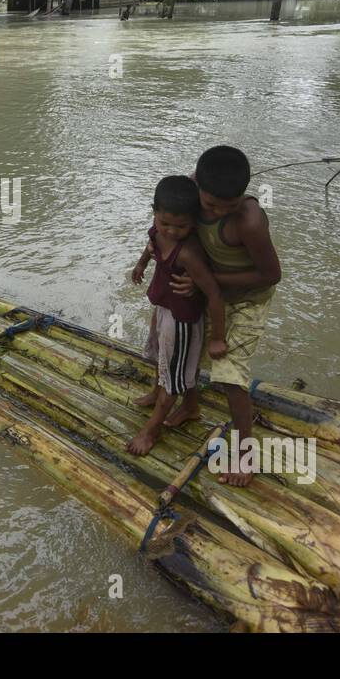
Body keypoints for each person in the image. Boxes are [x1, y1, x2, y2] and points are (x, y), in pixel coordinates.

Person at [170, 146, 281, 486]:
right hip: (209, 291)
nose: (218, 212)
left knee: (230, 377)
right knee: (186, 349)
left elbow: (271, 275)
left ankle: (245, 453)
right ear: (197, 185)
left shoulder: (249, 221)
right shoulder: (191, 191)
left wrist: (209, 280)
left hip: (247, 299)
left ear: (243, 195)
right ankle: (190, 406)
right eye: (210, 205)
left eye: (228, 206)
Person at [126, 176, 227, 456]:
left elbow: (215, 294)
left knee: (174, 373)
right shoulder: (157, 232)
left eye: (181, 226)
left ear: (194, 221)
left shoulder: (189, 253)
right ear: (154, 214)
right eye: (164, 223)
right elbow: (151, 246)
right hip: (163, 309)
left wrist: (217, 338)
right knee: (166, 360)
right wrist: (140, 264)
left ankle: (152, 429)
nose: (171, 231)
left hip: (182, 320)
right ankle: (187, 405)